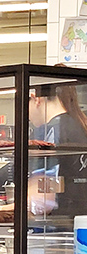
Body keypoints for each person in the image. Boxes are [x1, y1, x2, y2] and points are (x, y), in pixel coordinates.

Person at [27, 84, 87, 217]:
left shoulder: (48, 133)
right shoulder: (81, 126)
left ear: (36, 99)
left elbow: (41, 200)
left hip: (60, 224)